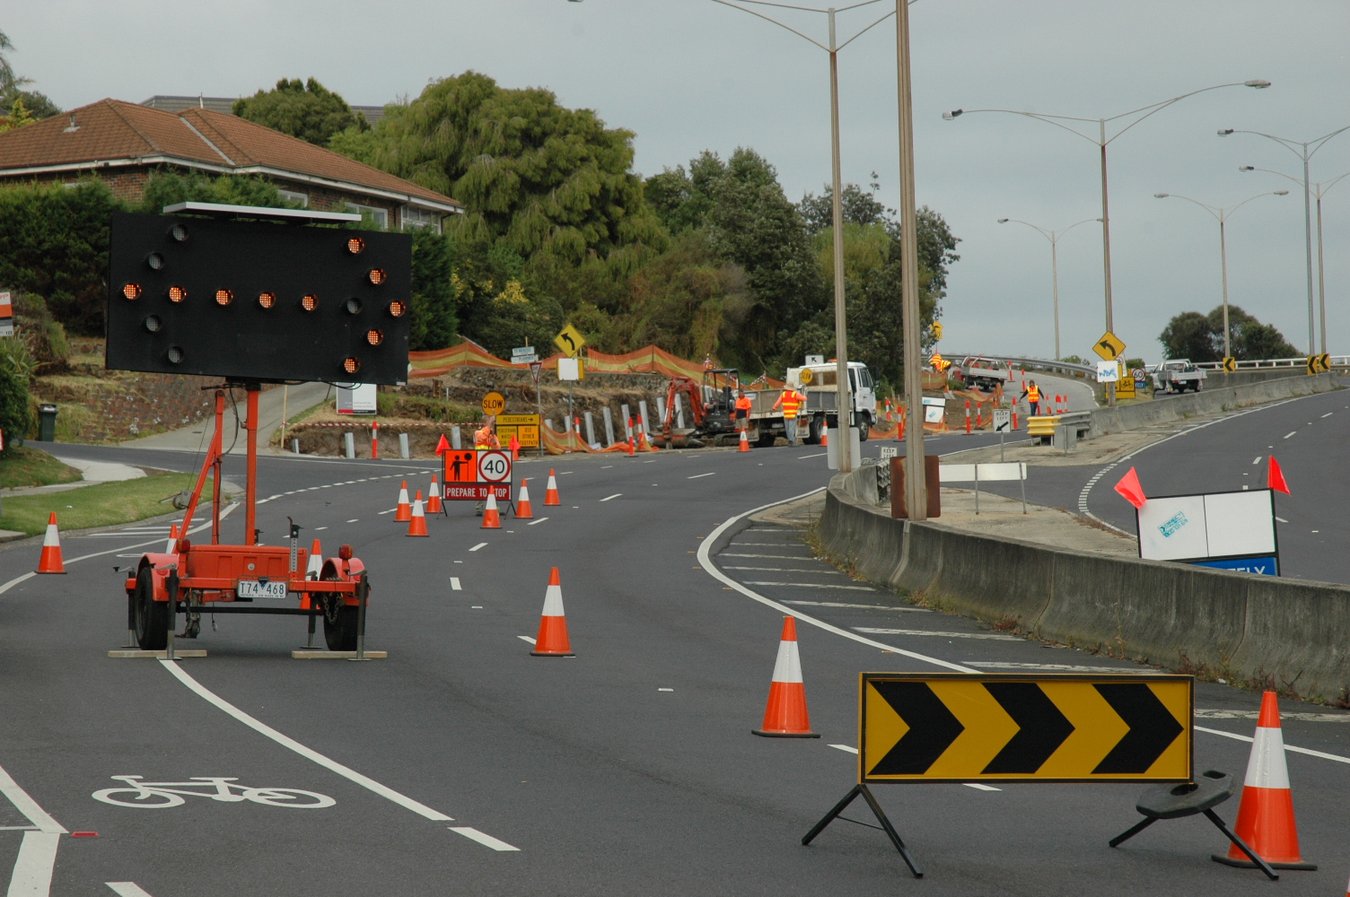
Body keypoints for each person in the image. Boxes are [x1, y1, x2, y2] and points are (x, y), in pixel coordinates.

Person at [472, 417, 500, 514]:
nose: (493, 425)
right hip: (480, 464)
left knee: (493, 486)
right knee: (480, 485)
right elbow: (481, 437)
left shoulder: (492, 436)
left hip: (491, 464)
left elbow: (497, 449)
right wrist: (489, 425)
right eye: (491, 423)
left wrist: (494, 443)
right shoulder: (478, 433)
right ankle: (479, 508)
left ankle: (494, 507)